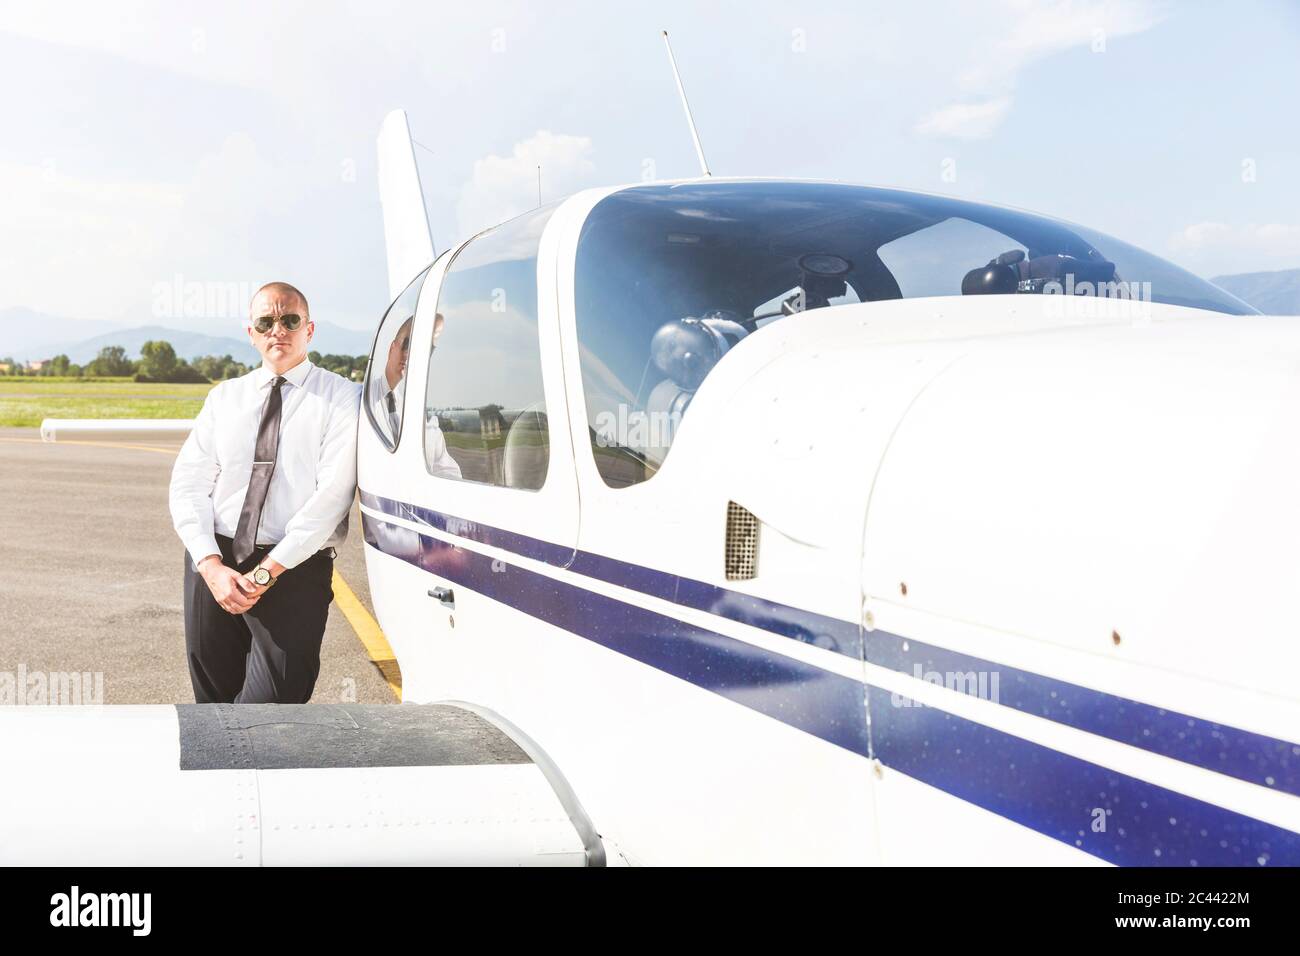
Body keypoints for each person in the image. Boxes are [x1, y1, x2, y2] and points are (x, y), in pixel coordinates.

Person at [169, 281, 361, 704]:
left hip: (294, 566)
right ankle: (222, 773)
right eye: (266, 321)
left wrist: (268, 571)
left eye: (290, 319)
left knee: (278, 703)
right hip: (215, 563)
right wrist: (210, 564)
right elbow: (189, 483)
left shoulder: (342, 398)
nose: (279, 329)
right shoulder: (224, 398)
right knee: (213, 706)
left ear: (309, 330)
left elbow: (331, 497)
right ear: (251, 333)